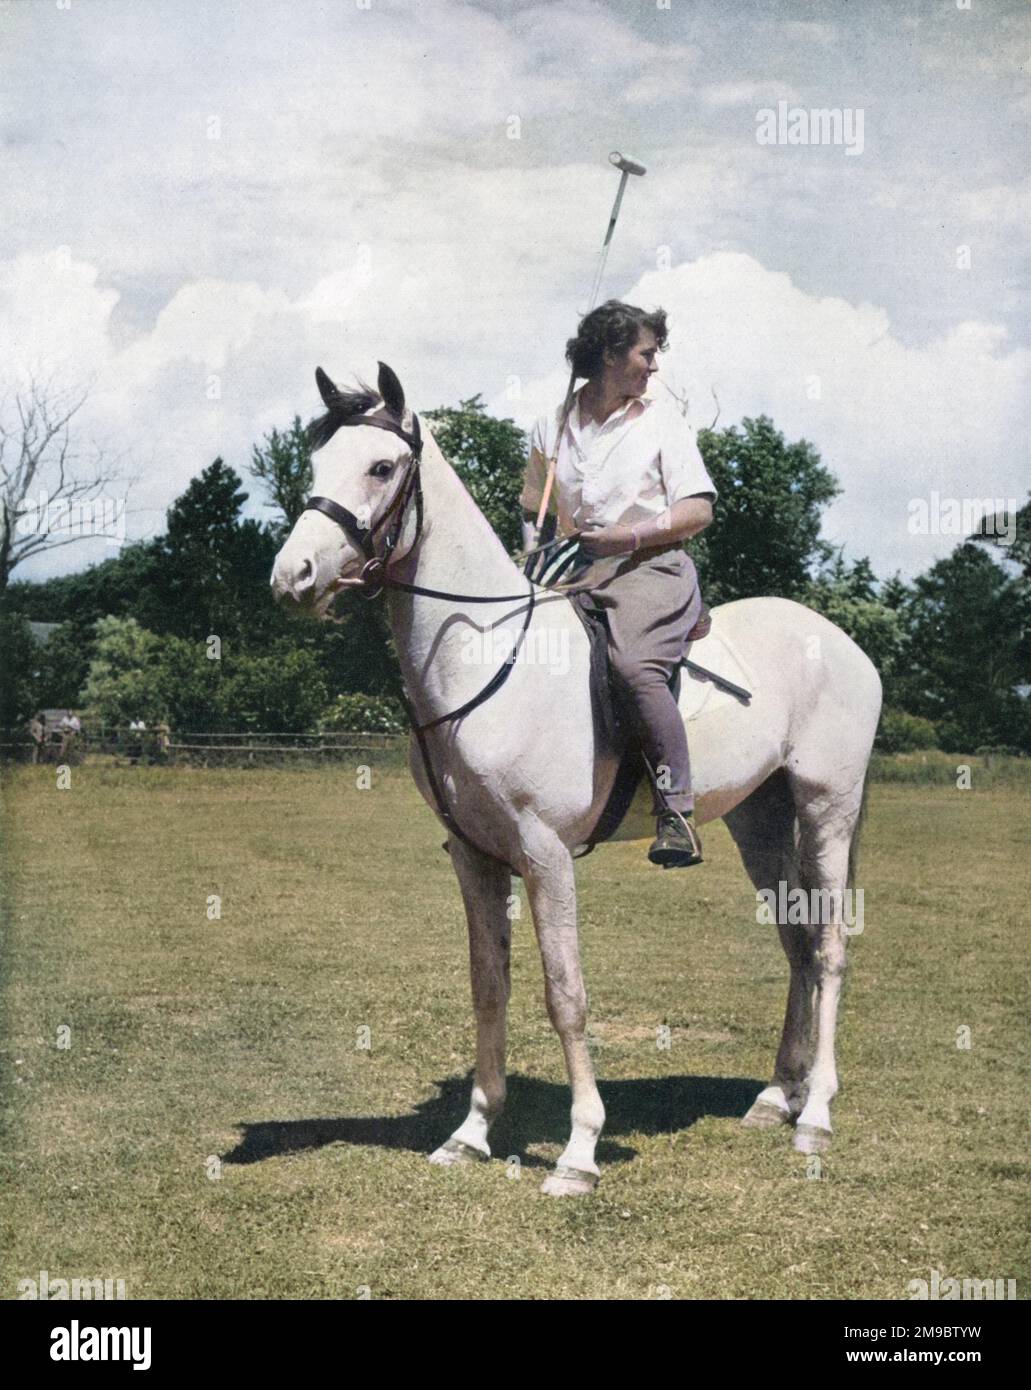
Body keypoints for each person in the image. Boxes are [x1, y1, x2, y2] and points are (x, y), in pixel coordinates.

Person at [520, 300, 716, 868]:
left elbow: (697, 510)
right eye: (646, 354)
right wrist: (536, 551)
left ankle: (676, 812)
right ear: (609, 354)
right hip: (573, 570)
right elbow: (534, 506)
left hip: (650, 567)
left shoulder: (661, 419)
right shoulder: (549, 425)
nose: (654, 367)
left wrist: (626, 538)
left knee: (632, 666)